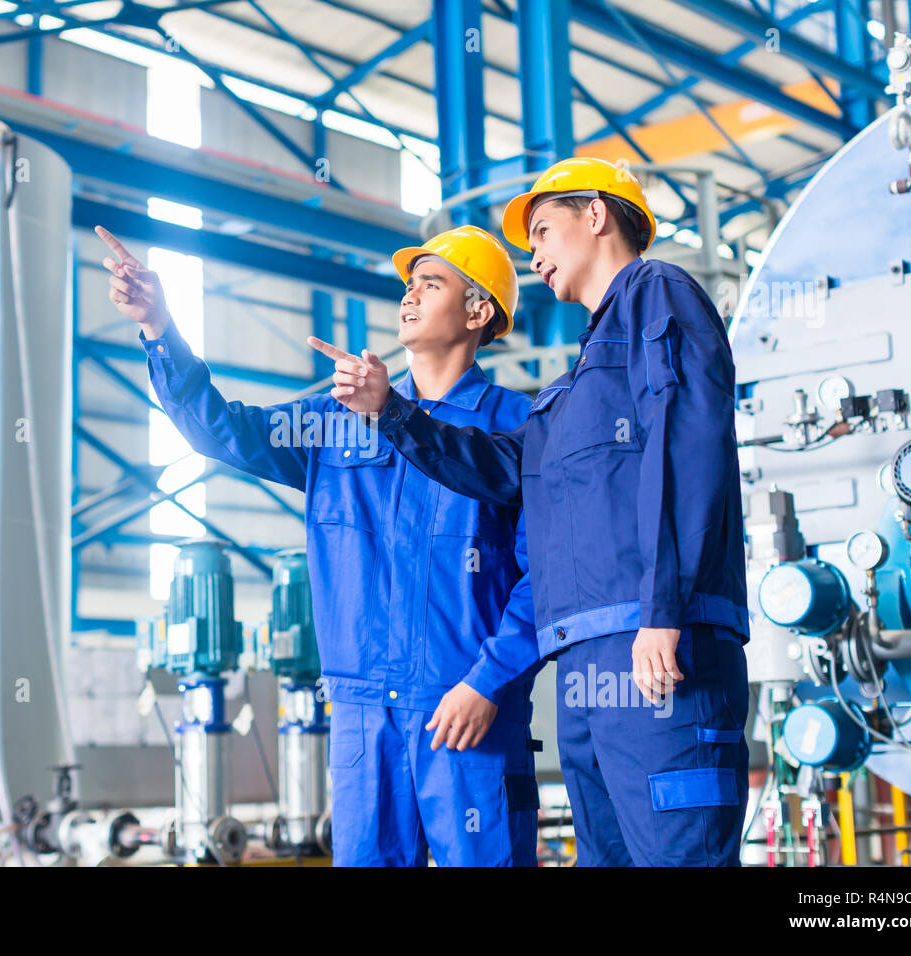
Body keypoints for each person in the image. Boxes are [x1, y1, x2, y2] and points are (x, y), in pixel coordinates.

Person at [316, 158, 751, 866]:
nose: (536, 255)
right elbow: (494, 468)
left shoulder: (657, 293)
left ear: (597, 215)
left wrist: (663, 611)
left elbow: (686, 448)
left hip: (655, 647)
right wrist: (390, 412)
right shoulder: (569, 390)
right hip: (585, 662)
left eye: (543, 230)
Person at [98, 223, 542, 866]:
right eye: (409, 284)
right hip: (364, 719)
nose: (409, 296)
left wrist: (489, 682)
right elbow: (220, 430)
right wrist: (161, 328)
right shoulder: (335, 424)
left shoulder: (516, 428)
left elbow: (549, 575)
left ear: (478, 311)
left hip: (469, 713)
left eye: (432, 283)